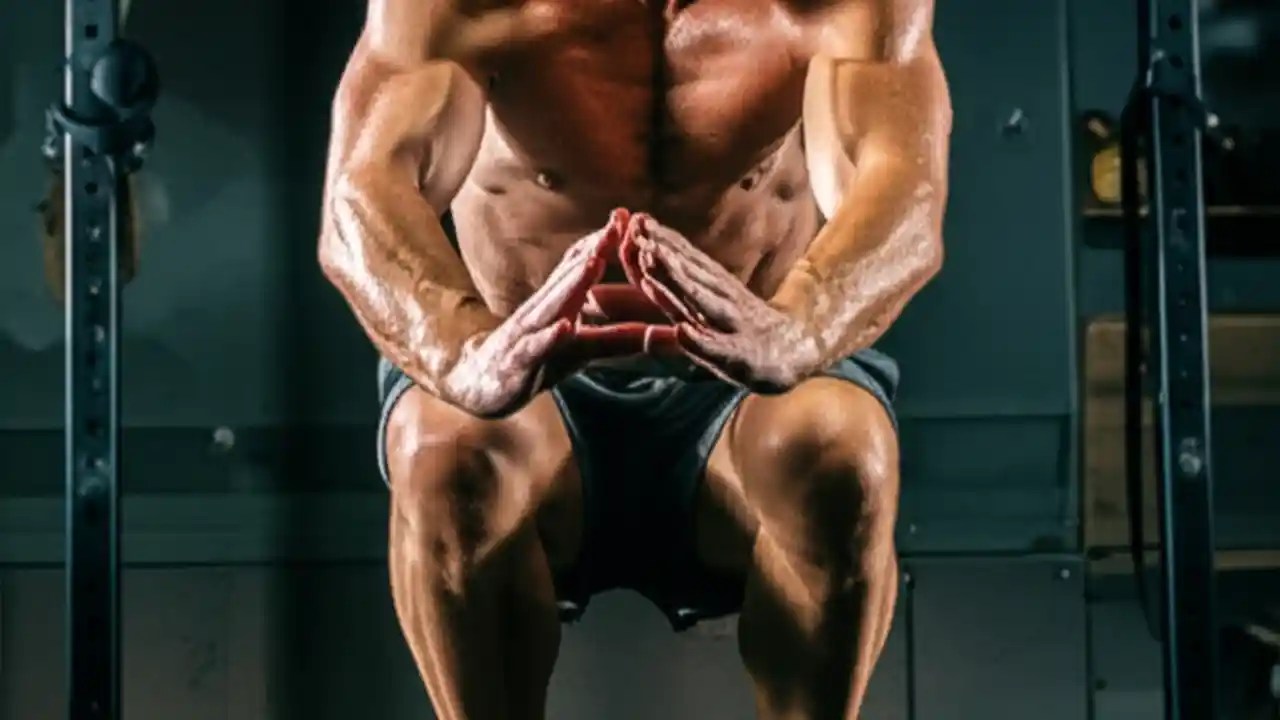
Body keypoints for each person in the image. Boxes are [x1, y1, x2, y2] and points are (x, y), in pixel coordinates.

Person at [319, 0, 950, 716]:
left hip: (749, 386)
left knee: (843, 453)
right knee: (444, 448)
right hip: (534, 389)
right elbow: (363, 190)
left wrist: (801, 331)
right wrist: (461, 350)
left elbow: (904, 188)